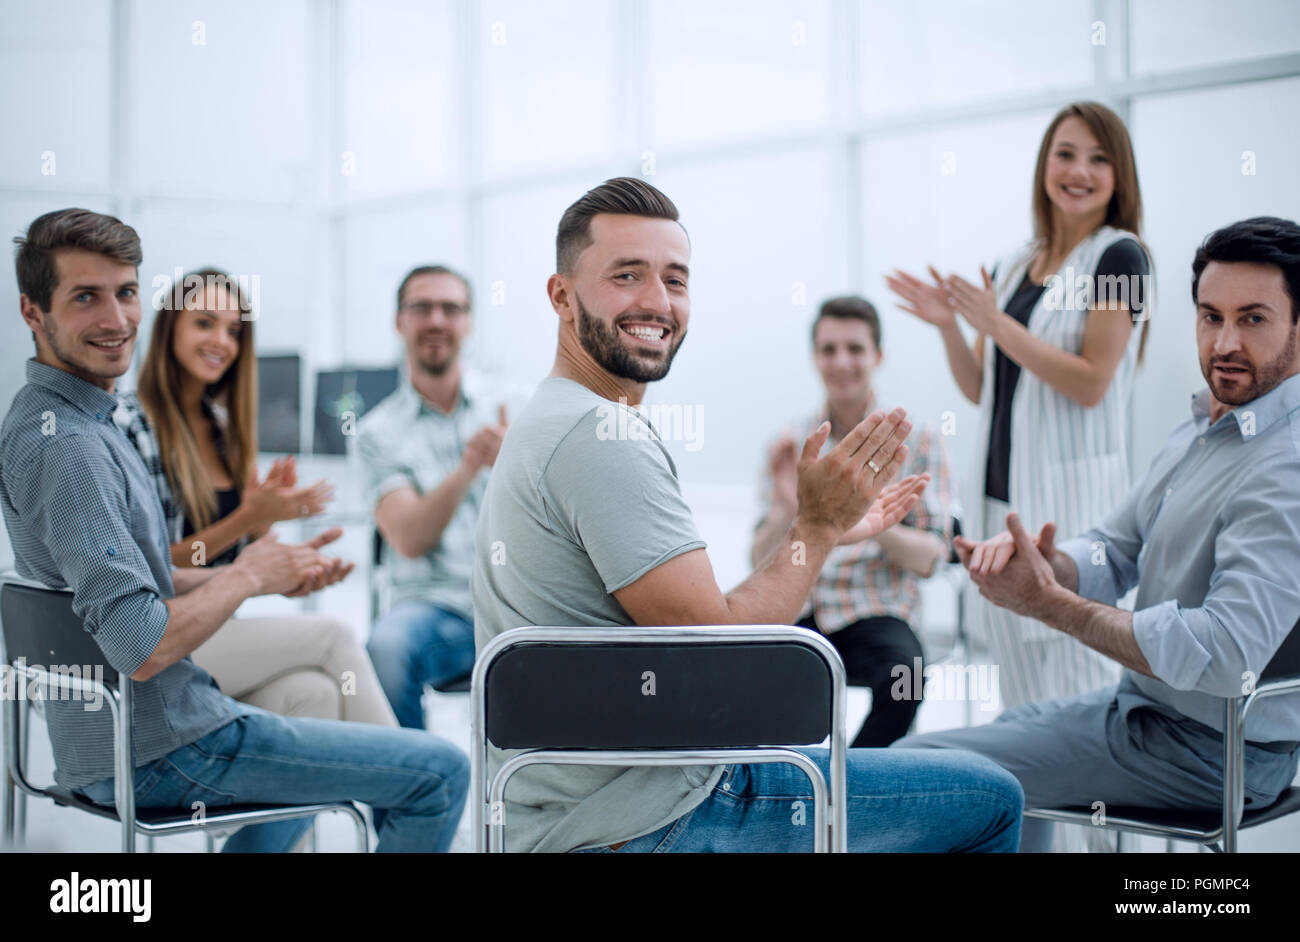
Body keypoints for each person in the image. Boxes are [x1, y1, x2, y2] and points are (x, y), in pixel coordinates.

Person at [471, 177, 1023, 853]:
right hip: (645, 815)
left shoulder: (554, 419)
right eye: (626, 275)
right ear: (562, 296)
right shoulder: (598, 437)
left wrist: (820, 531)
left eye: (676, 280)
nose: (657, 301)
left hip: (585, 803)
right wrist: (814, 529)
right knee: (992, 796)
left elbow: (695, 630)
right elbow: (717, 652)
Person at [1, 208, 468, 852]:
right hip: (159, 732)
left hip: (158, 711)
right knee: (437, 771)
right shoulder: (84, 439)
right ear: (33, 312)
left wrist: (276, 562)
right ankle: (404, 802)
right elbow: (142, 640)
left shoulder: (100, 423)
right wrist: (249, 560)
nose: (113, 319)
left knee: (309, 693)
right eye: (86, 297)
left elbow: (144, 576)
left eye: (125, 293)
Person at [894, 217, 1300, 853]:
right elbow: (1118, 546)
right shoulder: (1205, 427)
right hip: (1141, 715)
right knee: (984, 770)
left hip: (1210, 752)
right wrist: (1052, 564)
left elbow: (1224, 654)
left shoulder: (1287, 464)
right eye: (1209, 316)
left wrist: (1053, 605)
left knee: (917, 772)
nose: (1224, 341)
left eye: (1253, 319)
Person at [887, 101, 1153, 711]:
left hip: (1072, 508)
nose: (1078, 171)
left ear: (1119, 175)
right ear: (1044, 165)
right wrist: (951, 326)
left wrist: (996, 324)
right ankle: (1025, 810)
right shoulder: (1013, 264)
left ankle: (1083, 813)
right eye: (1065, 154)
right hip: (1002, 503)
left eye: (1098, 158)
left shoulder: (1122, 257)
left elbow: (1092, 381)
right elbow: (983, 388)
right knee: (1018, 700)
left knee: (1072, 693)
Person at [112, 268, 397, 728]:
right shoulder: (130, 425)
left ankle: (337, 800)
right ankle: (416, 786)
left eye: (234, 331)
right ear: (169, 330)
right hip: (161, 637)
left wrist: (288, 556)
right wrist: (248, 517)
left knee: (313, 693)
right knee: (334, 637)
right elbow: (145, 567)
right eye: (204, 323)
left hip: (219, 628)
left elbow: (231, 560)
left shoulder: (224, 428)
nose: (222, 341)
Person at [751, 296, 953, 746]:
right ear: (815, 358)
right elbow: (758, 558)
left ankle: (852, 792)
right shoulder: (792, 443)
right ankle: (800, 794)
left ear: (877, 356)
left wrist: (872, 517)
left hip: (875, 609)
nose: (841, 362)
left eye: (855, 349)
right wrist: (788, 505)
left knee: (908, 677)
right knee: (759, 689)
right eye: (829, 349)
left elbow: (930, 559)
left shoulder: (918, 440)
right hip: (803, 610)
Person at [354, 264, 517, 729]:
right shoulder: (377, 433)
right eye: (421, 308)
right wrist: (469, 467)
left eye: (451, 308)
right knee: (387, 648)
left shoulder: (515, 406)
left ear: (468, 322)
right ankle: (416, 793)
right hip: (436, 613)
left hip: (516, 606)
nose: (437, 321)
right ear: (399, 321)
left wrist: (517, 465)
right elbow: (408, 538)